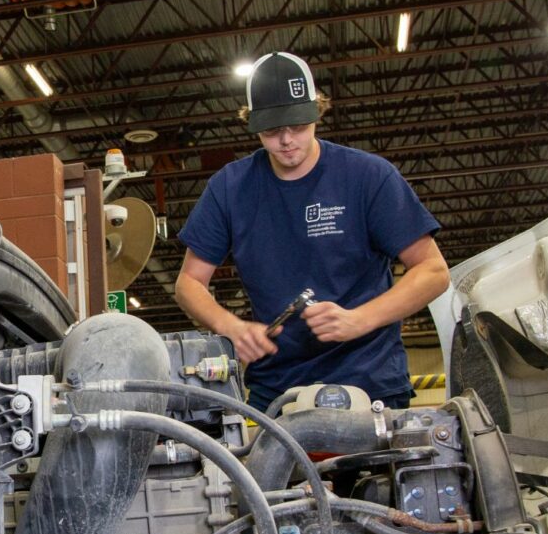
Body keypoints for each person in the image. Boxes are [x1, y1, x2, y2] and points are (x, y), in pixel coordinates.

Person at [175, 51, 449, 412]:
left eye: (299, 125)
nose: (287, 140)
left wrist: (357, 320)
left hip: (370, 382)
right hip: (278, 391)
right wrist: (232, 326)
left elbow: (433, 272)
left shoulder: (368, 177)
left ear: (317, 112)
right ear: (253, 123)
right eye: (272, 130)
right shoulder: (230, 188)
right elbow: (188, 283)